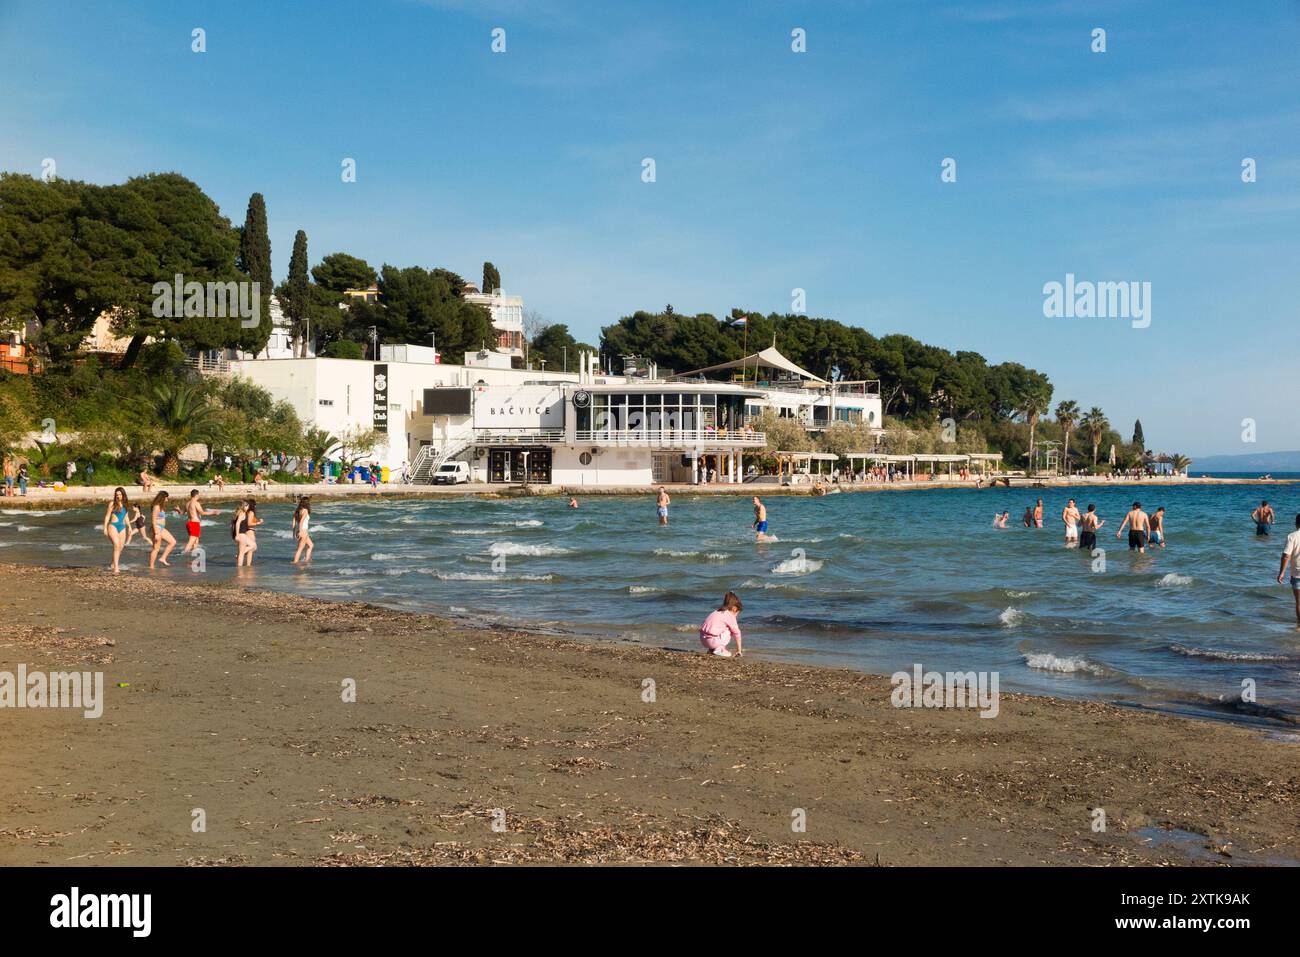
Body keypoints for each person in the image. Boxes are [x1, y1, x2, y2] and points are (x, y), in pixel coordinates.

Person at [699, 591, 744, 658]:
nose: (736, 616)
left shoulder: (717, 611)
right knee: (729, 630)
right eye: (737, 613)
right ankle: (719, 649)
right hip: (713, 641)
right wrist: (739, 651)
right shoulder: (729, 615)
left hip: (703, 639)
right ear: (734, 609)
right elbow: (737, 633)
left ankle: (712, 649)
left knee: (721, 628)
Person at [1276, 513, 1300, 627]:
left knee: (1299, 602)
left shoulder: (1292, 536)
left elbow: (1286, 556)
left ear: (1296, 524)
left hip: (1297, 574)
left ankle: (1299, 626)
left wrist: (1281, 572)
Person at [183, 489, 220, 557]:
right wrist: (213, 513)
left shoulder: (187, 503)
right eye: (198, 495)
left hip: (188, 523)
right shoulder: (196, 503)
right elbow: (202, 513)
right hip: (194, 523)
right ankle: (182, 555)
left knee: (196, 541)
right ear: (196, 495)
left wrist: (178, 510)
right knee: (191, 542)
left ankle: (193, 555)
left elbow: (182, 513)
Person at [102, 486, 129, 574]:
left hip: (122, 527)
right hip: (113, 526)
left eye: (120, 494)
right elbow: (107, 516)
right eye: (117, 494)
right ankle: (116, 568)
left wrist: (130, 527)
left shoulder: (125, 504)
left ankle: (113, 564)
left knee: (120, 547)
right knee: (116, 546)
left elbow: (126, 516)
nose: (118, 496)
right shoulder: (112, 504)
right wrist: (105, 528)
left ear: (123, 495)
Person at [148, 490, 177, 568]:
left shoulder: (161, 506)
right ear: (163, 498)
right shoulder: (156, 506)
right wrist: (156, 533)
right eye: (166, 498)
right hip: (156, 528)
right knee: (156, 548)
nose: (167, 500)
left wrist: (176, 510)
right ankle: (151, 566)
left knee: (173, 542)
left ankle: (163, 558)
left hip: (161, 528)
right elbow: (153, 520)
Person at [235, 499, 261, 566]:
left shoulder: (245, 512)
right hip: (249, 532)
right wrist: (258, 523)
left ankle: (242, 564)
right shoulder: (250, 512)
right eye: (255, 505)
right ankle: (248, 565)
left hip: (244, 532)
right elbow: (248, 523)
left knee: (250, 548)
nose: (256, 507)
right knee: (251, 549)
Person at [292, 496, 314, 564]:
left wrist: (294, 533)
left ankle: (306, 560)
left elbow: (293, 523)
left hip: (300, 531)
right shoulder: (306, 510)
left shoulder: (297, 511)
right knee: (299, 549)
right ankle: (294, 563)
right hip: (303, 531)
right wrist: (300, 532)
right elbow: (301, 522)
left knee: (311, 545)